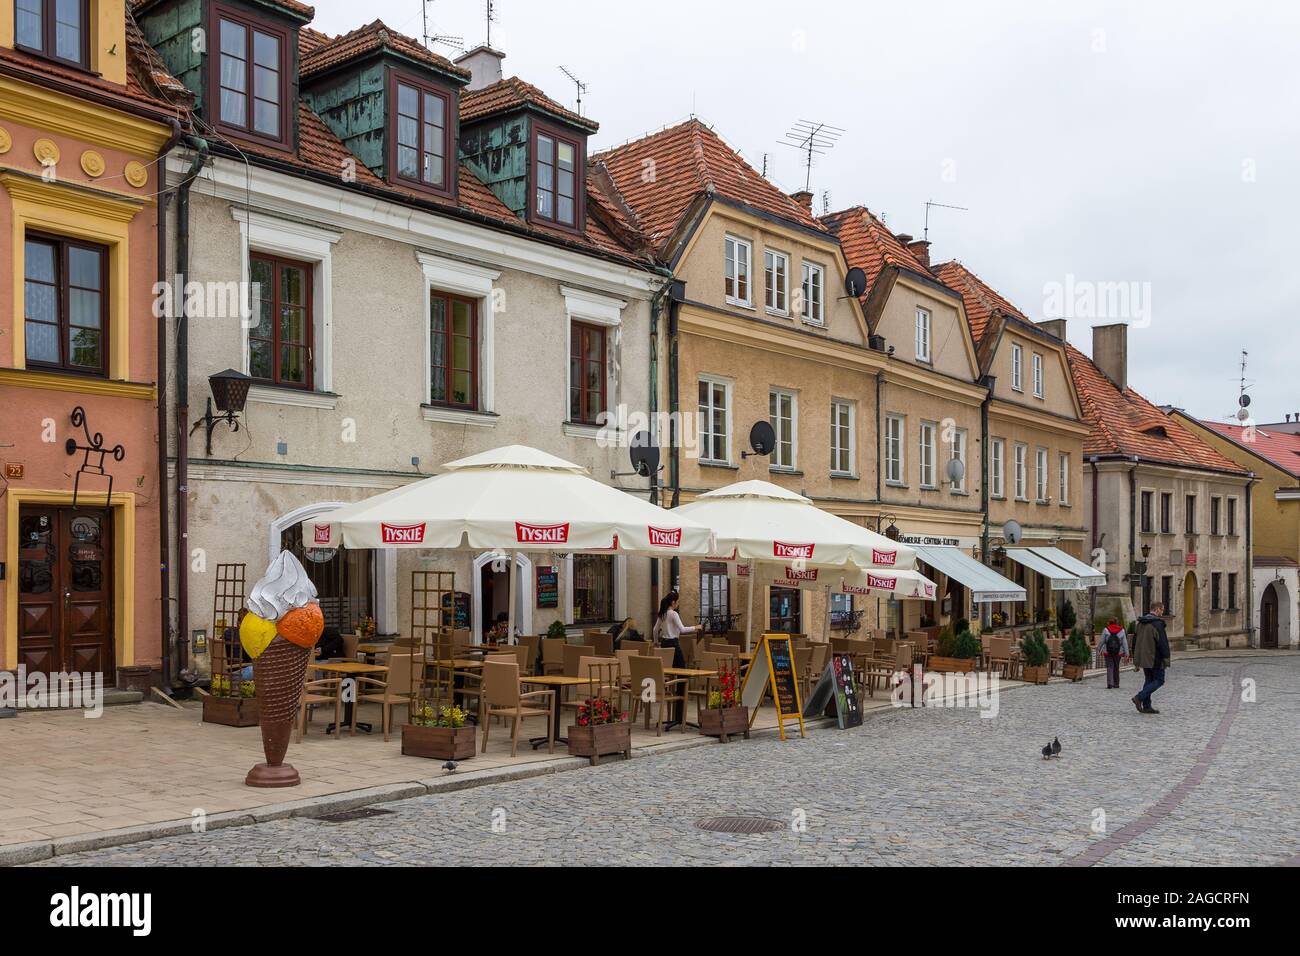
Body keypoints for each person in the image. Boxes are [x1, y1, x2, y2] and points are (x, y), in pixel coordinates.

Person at [1131, 604, 1171, 715]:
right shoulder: (1157, 624)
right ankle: (1139, 697)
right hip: (1155, 658)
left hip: (1143, 658)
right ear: (1157, 609)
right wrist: (1166, 658)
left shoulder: (1140, 623)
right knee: (1159, 680)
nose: (1162, 612)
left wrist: (1135, 656)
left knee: (1149, 680)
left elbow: (1134, 640)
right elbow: (1163, 643)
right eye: (1162, 610)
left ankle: (1147, 706)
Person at [652, 591, 694, 669]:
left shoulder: (662, 614)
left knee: (668, 668)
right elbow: (682, 630)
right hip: (673, 644)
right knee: (681, 669)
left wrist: (656, 642)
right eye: (677, 602)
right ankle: (679, 681)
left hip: (664, 644)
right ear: (673, 602)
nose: (678, 604)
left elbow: (655, 630)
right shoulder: (674, 614)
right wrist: (696, 627)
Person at [1100, 617, 1128, 689]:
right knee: (1116, 667)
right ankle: (1116, 683)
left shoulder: (1106, 630)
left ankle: (1110, 683)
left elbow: (1102, 641)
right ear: (1117, 622)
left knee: (1109, 666)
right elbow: (1124, 643)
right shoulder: (1122, 630)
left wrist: (1099, 649)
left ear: (1109, 622)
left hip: (1108, 651)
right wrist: (1126, 653)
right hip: (1118, 652)